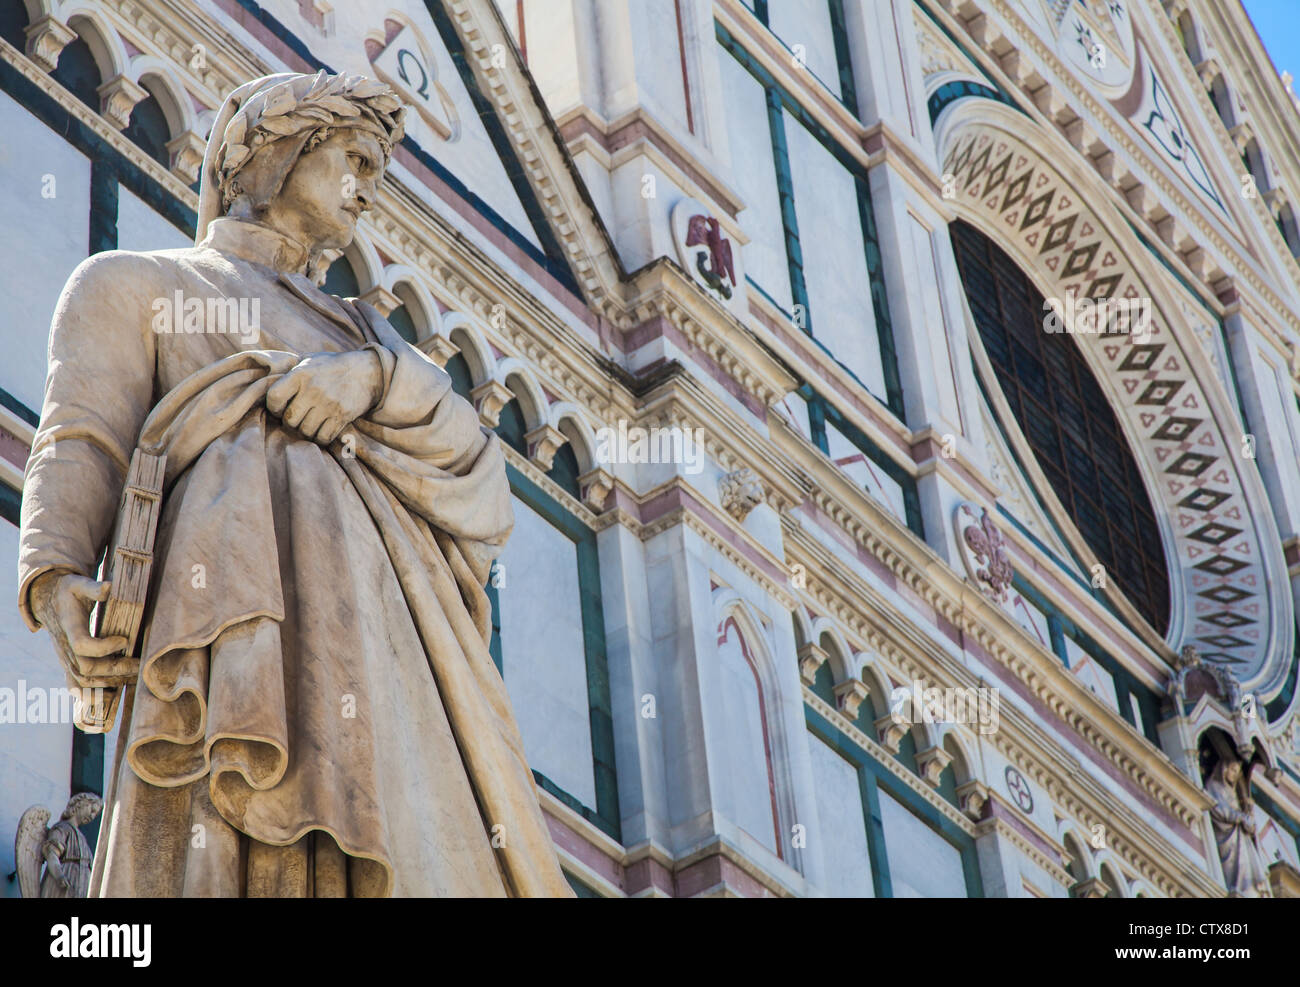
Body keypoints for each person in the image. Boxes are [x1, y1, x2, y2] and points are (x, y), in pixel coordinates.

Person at [18, 71, 572, 897]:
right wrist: (57, 575)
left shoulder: (374, 346)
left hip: (385, 681)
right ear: (277, 156)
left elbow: (482, 487)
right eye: (353, 160)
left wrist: (375, 380)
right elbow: (82, 441)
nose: (365, 194)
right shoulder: (140, 285)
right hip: (228, 658)